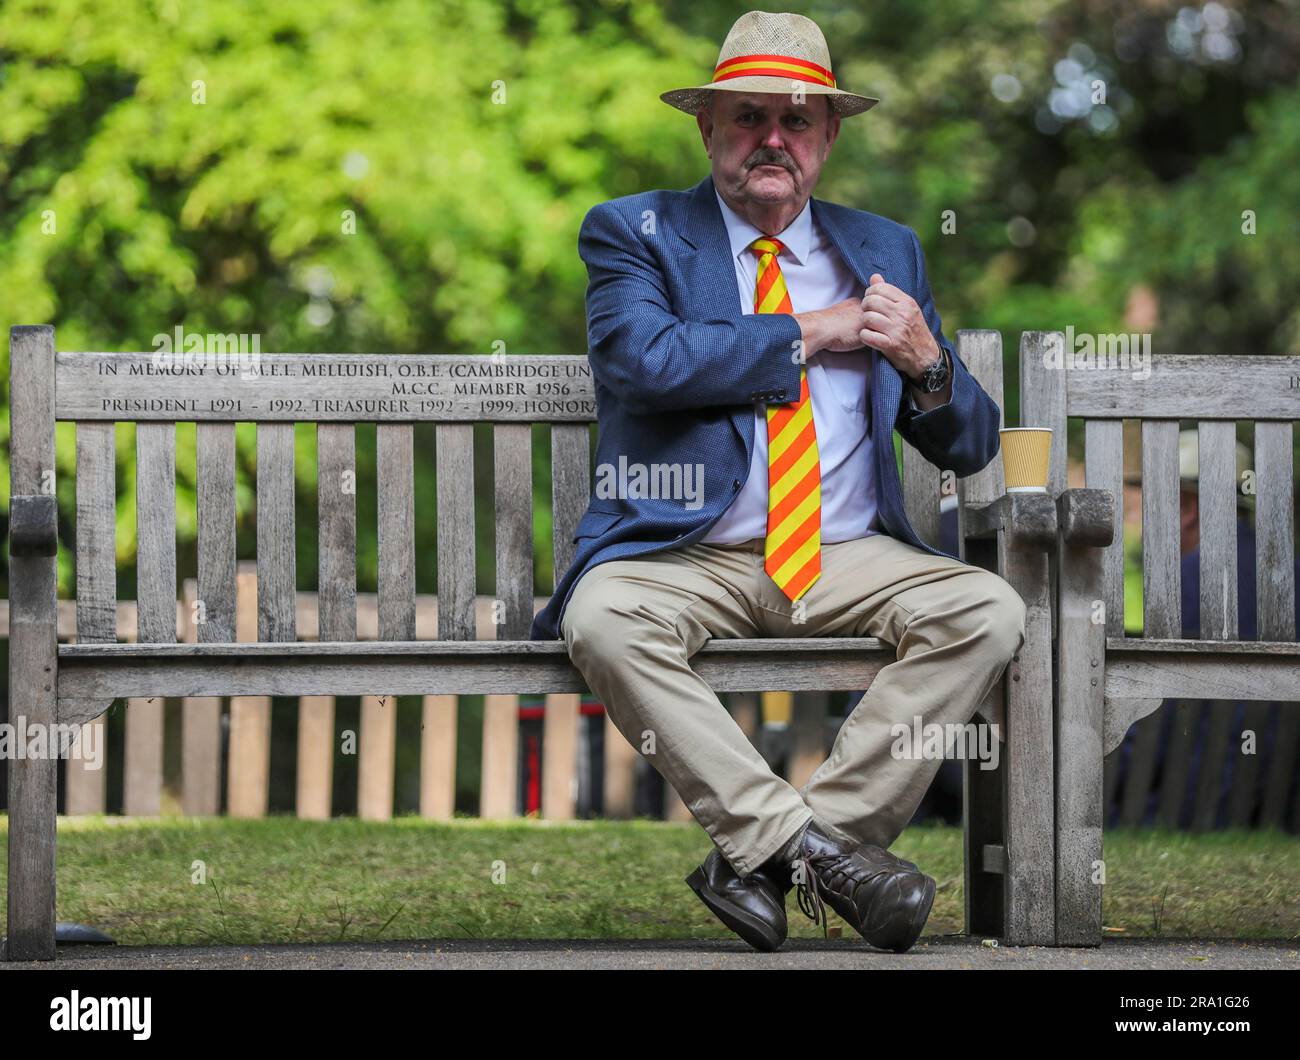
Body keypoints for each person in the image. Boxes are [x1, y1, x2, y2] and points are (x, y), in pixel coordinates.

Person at [530, 11, 1026, 952]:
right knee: (600, 618)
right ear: (708, 128)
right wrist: (813, 332)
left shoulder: (885, 247)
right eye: (748, 116)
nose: (773, 139)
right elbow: (645, 361)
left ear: (829, 136)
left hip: (847, 553)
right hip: (685, 553)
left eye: (797, 120)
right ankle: (812, 850)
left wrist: (926, 362)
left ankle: (773, 852)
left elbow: (968, 446)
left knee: (988, 611)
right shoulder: (636, 232)